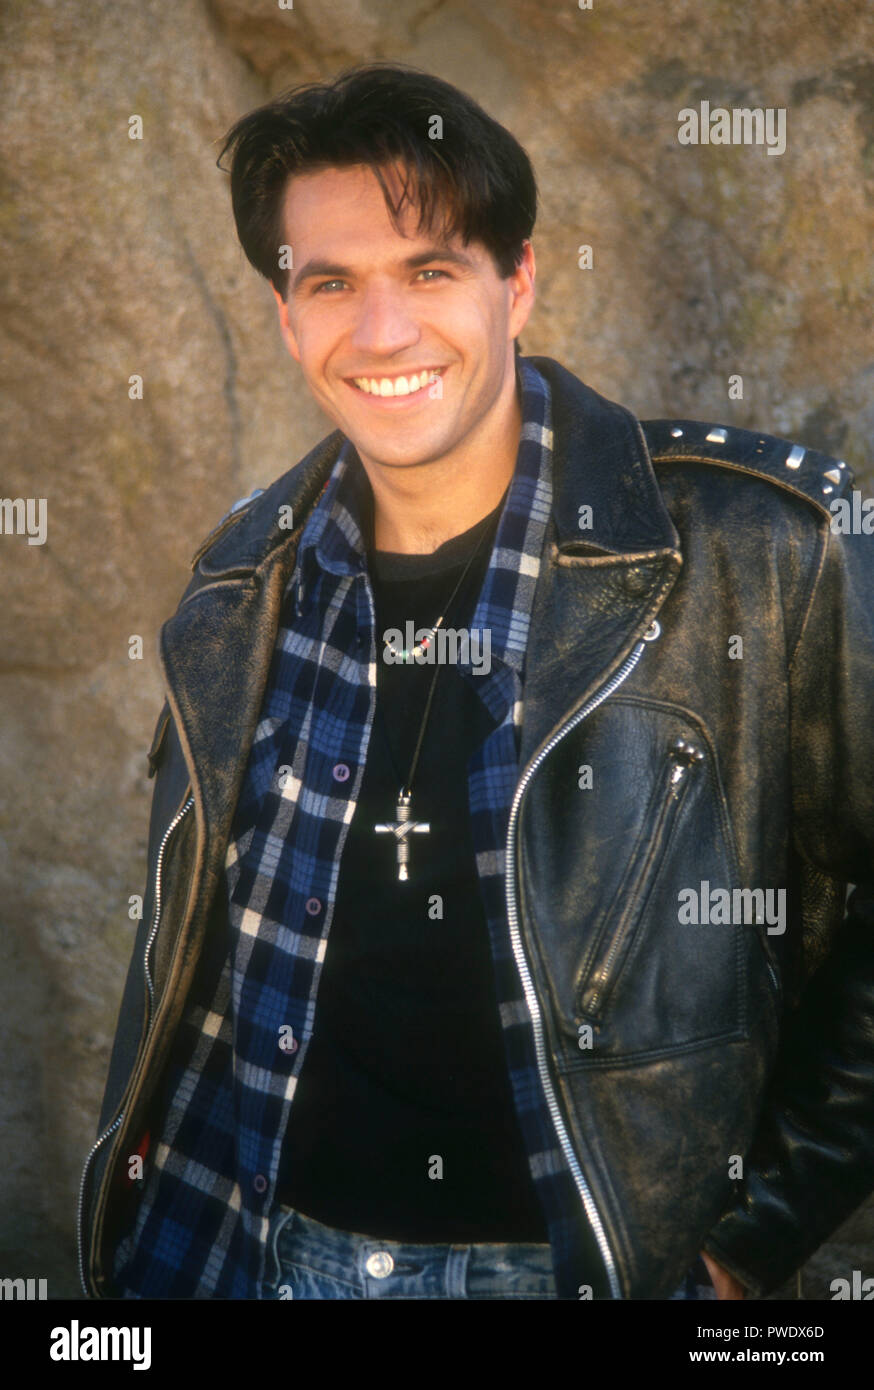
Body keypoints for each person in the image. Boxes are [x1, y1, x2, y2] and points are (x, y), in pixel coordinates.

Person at [78, 61, 874, 1302]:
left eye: (430, 269)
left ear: (518, 283)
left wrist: (744, 1242)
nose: (380, 332)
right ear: (287, 317)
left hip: (570, 1270)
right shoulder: (243, 578)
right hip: (241, 1247)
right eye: (330, 282)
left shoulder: (753, 548)